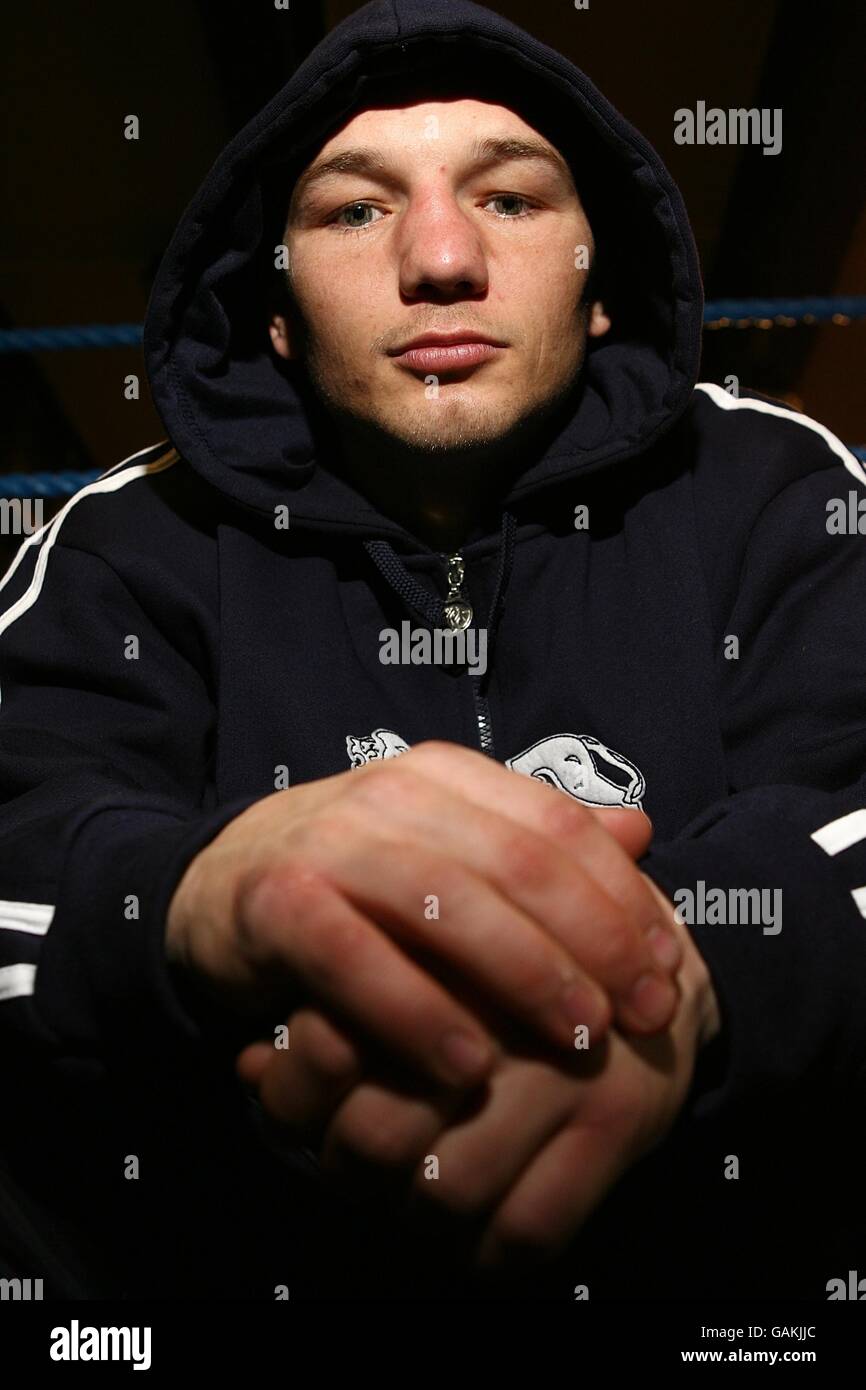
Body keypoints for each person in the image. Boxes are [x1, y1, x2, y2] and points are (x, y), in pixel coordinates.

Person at [1, 0, 864, 1302]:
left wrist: (683, 975)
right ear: (276, 313)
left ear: (599, 282)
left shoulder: (771, 485)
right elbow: (24, 815)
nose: (443, 257)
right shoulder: (130, 542)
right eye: (355, 211)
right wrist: (193, 899)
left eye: (509, 199)